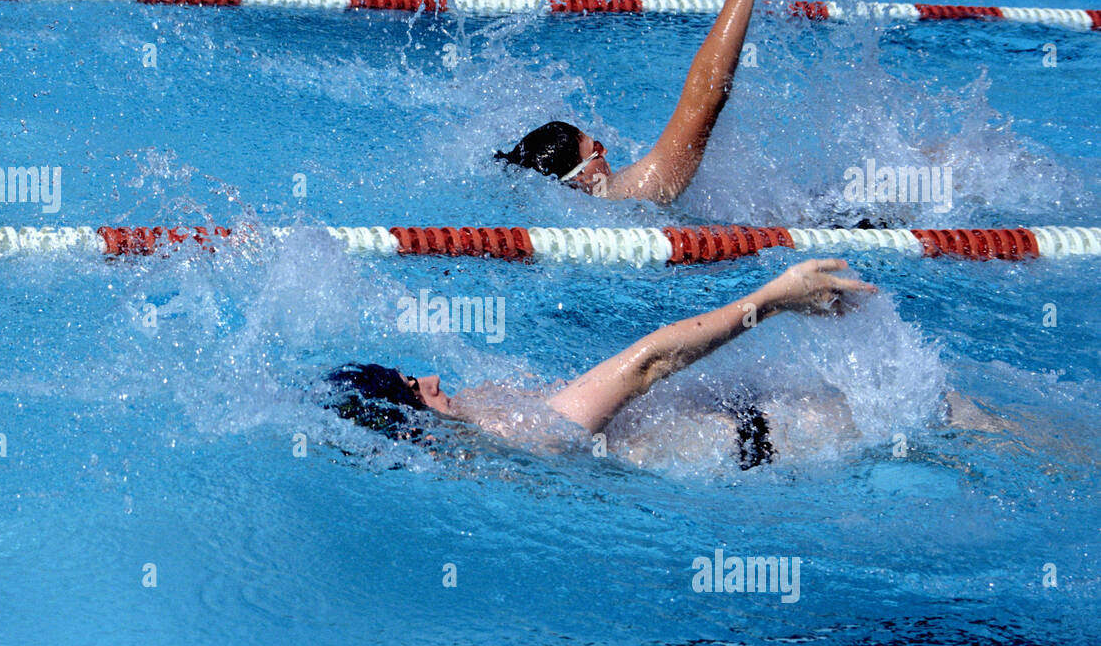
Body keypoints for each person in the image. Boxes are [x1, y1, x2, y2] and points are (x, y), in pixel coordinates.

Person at [324, 258, 878, 468]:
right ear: (418, 425)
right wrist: (777, 297)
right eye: (416, 386)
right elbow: (648, 364)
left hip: (746, 421)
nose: (433, 378)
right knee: (944, 416)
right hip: (776, 432)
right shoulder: (516, 434)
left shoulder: (473, 430)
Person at [496, 0, 836, 205]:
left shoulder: (591, 210)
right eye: (596, 148)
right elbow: (706, 96)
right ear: (582, 178)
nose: (607, 153)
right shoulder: (640, 191)